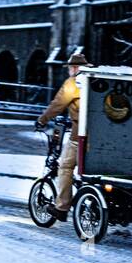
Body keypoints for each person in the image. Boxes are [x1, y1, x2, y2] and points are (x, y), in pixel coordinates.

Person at [34, 52, 90, 219]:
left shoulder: (74, 83)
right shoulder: (98, 80)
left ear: (74, 68)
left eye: (71, 68)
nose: (69, 71)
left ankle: (62, 207)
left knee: (65, 167)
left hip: (80, 136)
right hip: (106, 139)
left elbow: (57, 105)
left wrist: (42, 120)